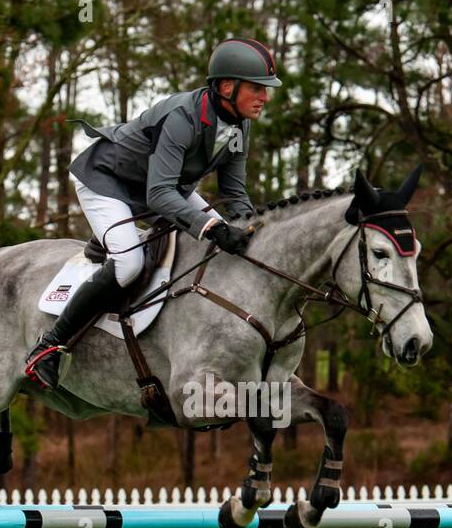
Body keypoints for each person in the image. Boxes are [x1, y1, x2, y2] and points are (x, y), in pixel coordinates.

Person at [24, 37, 281, 390]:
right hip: (108, 182)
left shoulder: (240, 124)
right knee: (130, 265)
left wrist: (249, 228)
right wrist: (212, 228)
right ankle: (49, 346)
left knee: (220, 232)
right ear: (226, 86)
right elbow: (159, 194)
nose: (265, 97)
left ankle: (107, 241)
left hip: (163, 187)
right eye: (257, 88)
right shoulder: (182, 117)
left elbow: (234, 193)